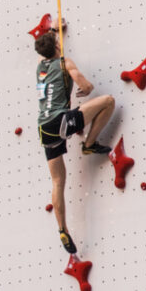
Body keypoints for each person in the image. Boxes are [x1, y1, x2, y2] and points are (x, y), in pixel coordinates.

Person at [34, 29, 116, 254]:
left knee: (58, 181)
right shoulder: (65, 63)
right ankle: (89, 144)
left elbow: (46, 50)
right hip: (60, 121)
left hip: (44, 128)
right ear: (57, 47)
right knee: (108, 101)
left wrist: (54, 31)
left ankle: (62, 228)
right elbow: (87, 86)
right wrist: (84, 89)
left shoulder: (40, 67)